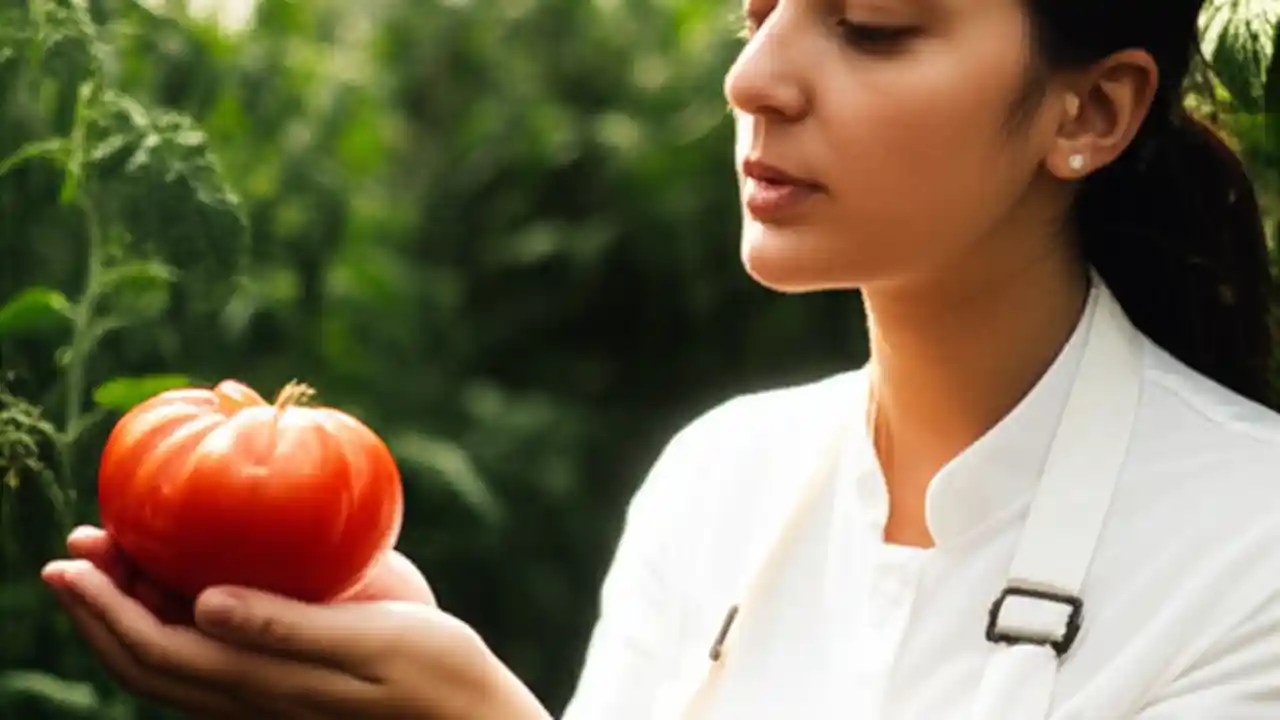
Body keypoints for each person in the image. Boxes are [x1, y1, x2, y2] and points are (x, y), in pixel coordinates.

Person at [40, 0, 1280, 717]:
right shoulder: (716, 480)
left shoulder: (1249, 547)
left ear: (1088, 112)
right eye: (756, 11)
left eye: (870, 27)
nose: (752, 77)